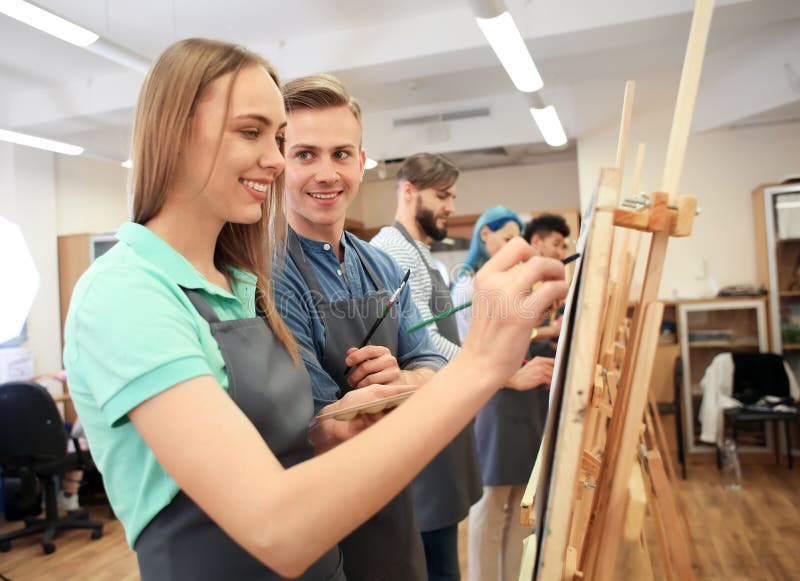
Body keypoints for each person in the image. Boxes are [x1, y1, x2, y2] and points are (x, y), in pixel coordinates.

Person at [64, 39, 568, 581]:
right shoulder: (127, 295)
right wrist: (483, 366)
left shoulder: (238, 284)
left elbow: (301, 436)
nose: (277, 161)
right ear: (177, 133)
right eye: (252, 132)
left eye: (279, 140)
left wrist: (339, 424)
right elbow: (274, 526)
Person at [272, 76, 456, 581]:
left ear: (361, 161)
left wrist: (401, 380)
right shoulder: (270, 275)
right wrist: (406, 393)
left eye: (341, 154)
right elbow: (314, 421)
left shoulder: (380, 264)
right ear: (278, 161)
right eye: (305, 154)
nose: (326, 173)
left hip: (395, 499)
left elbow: (433, 362)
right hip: (322, 512)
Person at [370, 153, 482, 581]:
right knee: (436, 565)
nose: (451, 206)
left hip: (441, 421)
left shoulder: (420, 252)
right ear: (409, 191)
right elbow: (422, 339)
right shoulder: (392, 249)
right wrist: (486, 368)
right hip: (422, 424)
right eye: (443, 195)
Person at [452, 206, 556, 581]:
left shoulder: (506, 284)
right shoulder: (467, 285)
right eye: (508, 238)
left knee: (517, 504)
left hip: (517, 393)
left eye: (518, 239)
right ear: (485, 235)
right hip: (492, 399)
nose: (514, 246)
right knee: (491, 505)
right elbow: (469, 351)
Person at [523, 213, 571, 342]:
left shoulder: (546, 283)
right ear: (536, 242)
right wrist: (551, 331)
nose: (561, 254)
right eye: (556, 244)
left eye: (563, 247)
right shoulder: (521, 283)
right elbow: (517, 334)